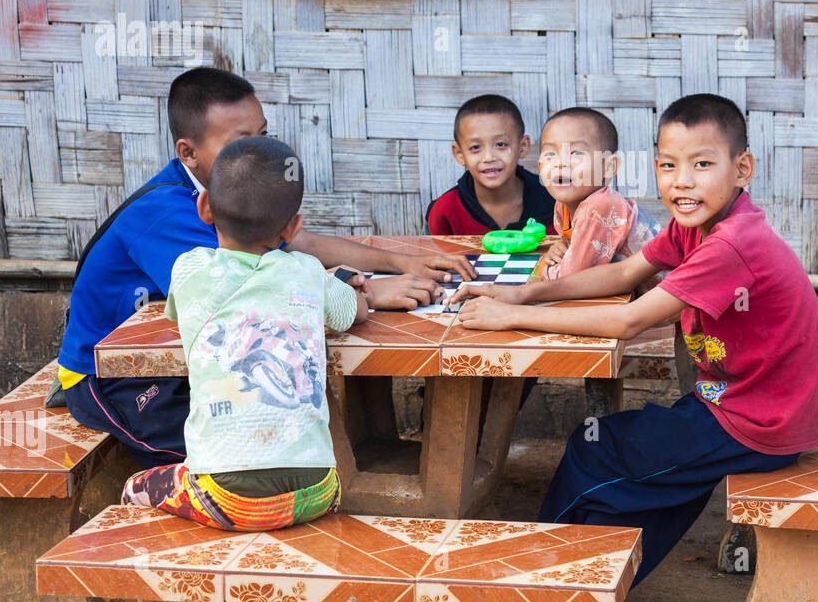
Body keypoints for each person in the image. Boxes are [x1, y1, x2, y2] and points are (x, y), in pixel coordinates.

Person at [451, 93, 818, 585]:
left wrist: (508, 320)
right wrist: (522, 295)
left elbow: (628, 320)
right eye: (668, 165)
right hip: (745, 405)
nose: (682, 181)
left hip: (757, 421)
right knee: (636, 471)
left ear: (742, 168)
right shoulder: (699, 226)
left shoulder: (730, 244)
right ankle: (589, 580)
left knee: (593, 449)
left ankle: (549, 581)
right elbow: (625, 272)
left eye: (702, 164)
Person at [57, 67, 473, 468]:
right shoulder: (164, 213)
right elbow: (250, 291)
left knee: (271, 426)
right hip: (109, 378)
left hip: (180, 362)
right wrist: (368, 291)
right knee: (228, 451)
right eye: (240, 141)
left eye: (262, 134)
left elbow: (298, 242)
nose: (256, 152)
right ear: (188, 152)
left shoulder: (233, 193)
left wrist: (401, 260)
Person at [120, 137, 362, 531]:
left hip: (227, 497)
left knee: (135, 486)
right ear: (293, 227)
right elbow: (347, 312)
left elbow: (176, 316)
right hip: (320, 490)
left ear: (204, 208)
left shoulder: (188, 269)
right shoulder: (307, 270)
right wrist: (333, 282)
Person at [534, 106, 662, 281]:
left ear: (609, 167)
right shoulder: (561, 207)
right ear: (540, 166)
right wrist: (562, 249)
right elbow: (579, 249)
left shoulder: (600, 206)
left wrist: (543, 267)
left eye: (576, 153)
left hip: (666, 303)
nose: (560, 163)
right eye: (550, 153)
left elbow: (571, 280)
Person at [425, 94, 555, 235]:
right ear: (459, 154)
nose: (488, 158)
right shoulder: (445, 210)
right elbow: (431, 255)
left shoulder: (555, 202)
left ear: (522, 147)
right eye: (475, 147)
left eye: (500, 144)